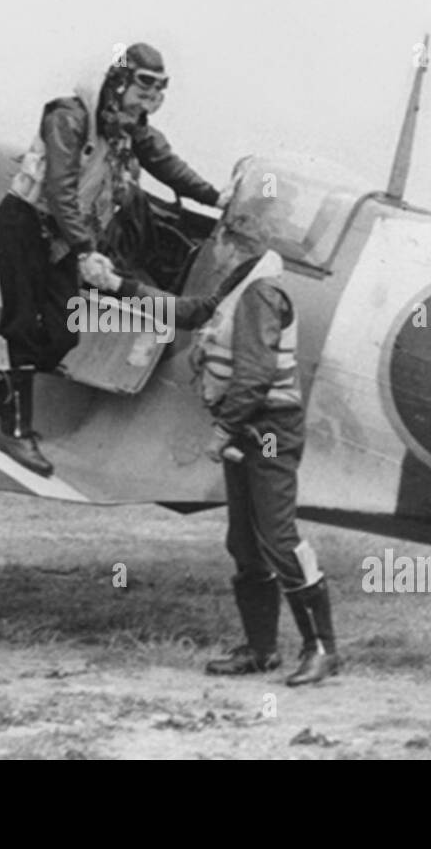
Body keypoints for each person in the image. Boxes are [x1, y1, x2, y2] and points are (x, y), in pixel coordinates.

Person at [99, 198, 339, 687]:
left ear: (234, 244)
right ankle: (260, 649)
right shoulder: (241, 286)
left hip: (268, 431)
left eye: (220, 241)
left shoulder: (259, 295)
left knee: (277, 537)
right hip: (253, 426)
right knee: (246, 542)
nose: (214, 251)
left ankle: (321, 649)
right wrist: (119, 287)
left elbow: (255, 373)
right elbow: (192, 313)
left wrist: (224, 429)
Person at [0, 42, 221, 476]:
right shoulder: (69, 117)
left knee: (61, 336)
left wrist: (216, 197)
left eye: (150, 100)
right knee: (22, 326)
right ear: (115, 86)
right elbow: (61, 189)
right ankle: (13, 430)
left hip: (63, 239)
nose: (142, 109)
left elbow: (165, 163)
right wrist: (86, 251)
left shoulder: (126, 129)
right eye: (138, 94)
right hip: (26, 224)